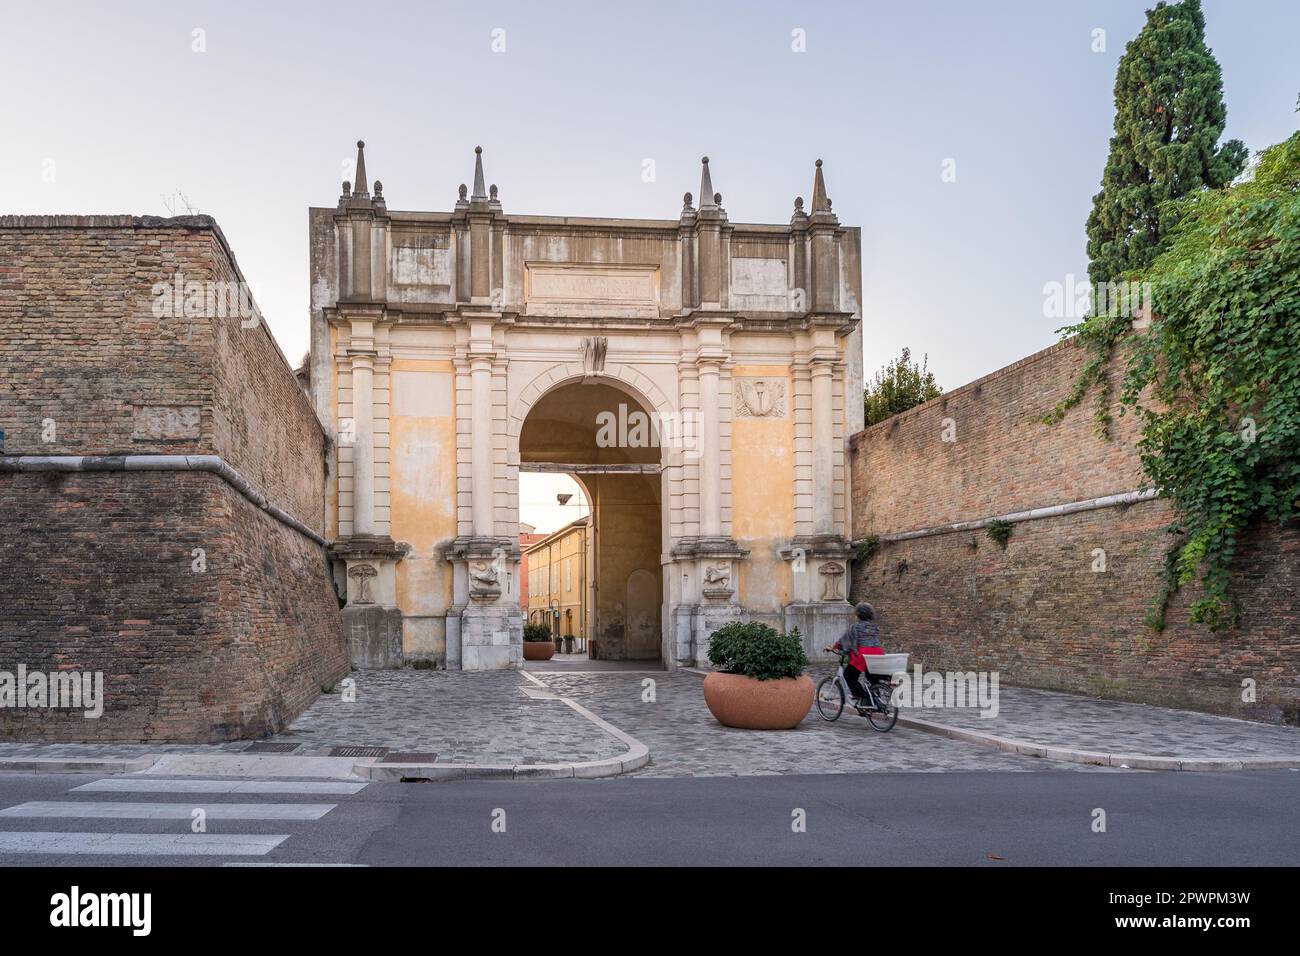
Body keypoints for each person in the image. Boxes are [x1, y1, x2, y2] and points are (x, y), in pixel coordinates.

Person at [824, 602, 884, 703]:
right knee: (871, 676)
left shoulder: (855, 627)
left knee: (849, 676)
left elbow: (844, 640)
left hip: (864, 655)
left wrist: (833, 647)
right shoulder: (874, 627)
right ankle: (875, 697)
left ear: (858, 615)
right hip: (877, 653)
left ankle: (864, 697)